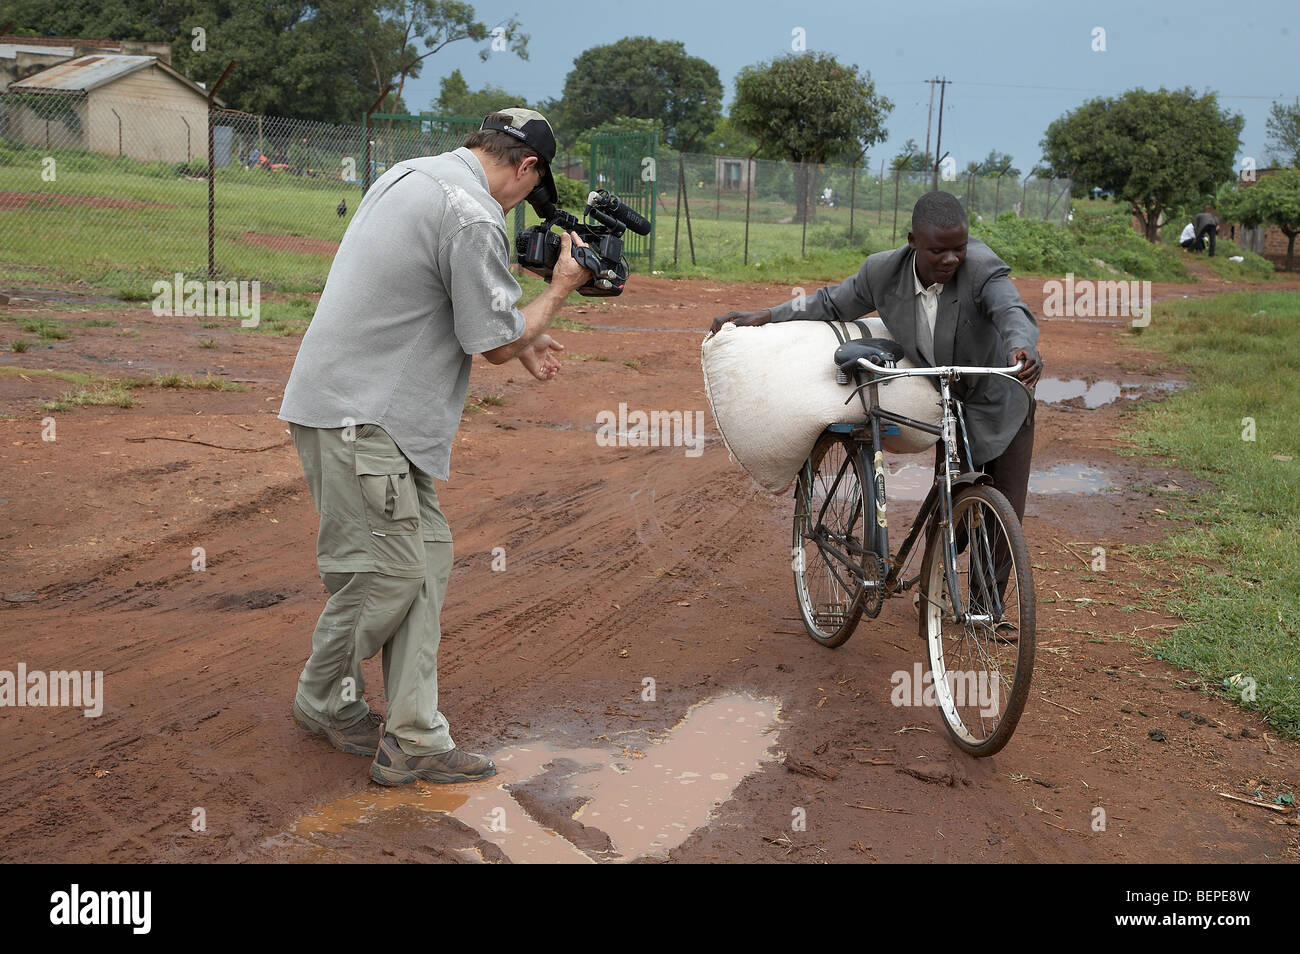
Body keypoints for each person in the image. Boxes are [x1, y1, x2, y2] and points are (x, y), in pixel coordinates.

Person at [278, 109, 592, 785]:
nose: (521, 209)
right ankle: (322, 693)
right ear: (524, 166)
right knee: (387, 574)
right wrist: (559, 291)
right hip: (361, 419)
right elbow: (497, 340)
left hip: (368, 417)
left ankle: (415, 734)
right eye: (526, 194)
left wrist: (522, 334)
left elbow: (448, 305)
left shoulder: (412, 175)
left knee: (426, 561)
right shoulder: (474, 213)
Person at [709, 190, 1042, 526]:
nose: (951, 259)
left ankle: (993, 580)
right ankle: (940, 574)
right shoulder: (883, 272)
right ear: (913, 241)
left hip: (1003, 398)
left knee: (1003, 520)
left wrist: (1021, 345)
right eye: (938, 250)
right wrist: (767, 314)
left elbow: (1010, 309)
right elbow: (830, 303)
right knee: (949, 518)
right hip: (950, 403)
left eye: (959, 248)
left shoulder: (982, 268)